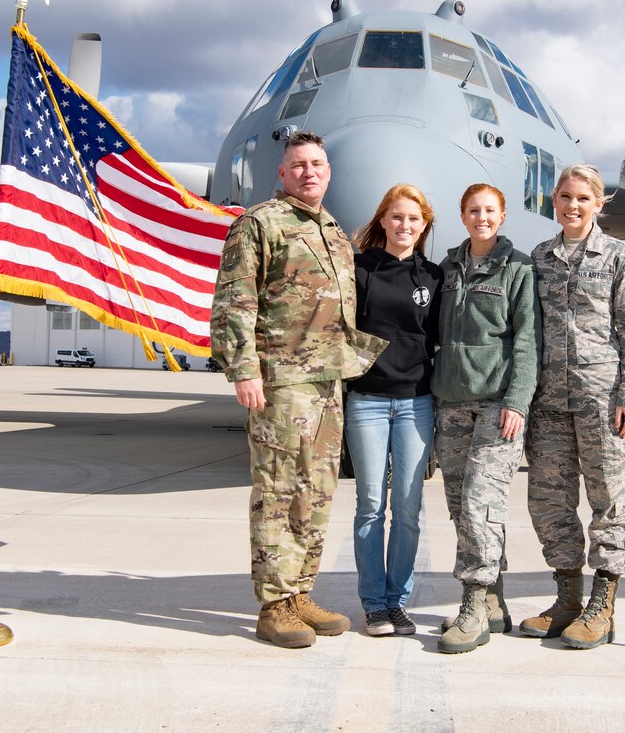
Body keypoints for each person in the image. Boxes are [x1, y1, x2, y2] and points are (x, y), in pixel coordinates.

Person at [211, 131, 387, 649]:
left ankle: (300, 593)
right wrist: (243, 369)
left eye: (317, 163)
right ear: (283, 173)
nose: (309, 172)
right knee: (279, 489)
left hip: (328, 380)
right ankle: (273, 604)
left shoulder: (333, 230)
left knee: (318, 489)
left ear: (328, 171)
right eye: (299, 165)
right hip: (282, 380)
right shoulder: (259, 223)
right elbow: (234, 301)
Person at [522, 164, 625, 650]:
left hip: (603, 402)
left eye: (582, 198)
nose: (572, 206)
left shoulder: (618, 256)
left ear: (599, 203)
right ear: (553, 201)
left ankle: (603, 604)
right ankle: (566, 600)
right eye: (564, 197)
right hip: (549, 402)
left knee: (608, 501)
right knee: (549, 501)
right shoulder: (540, 257)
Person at [433, 183, 540, 654]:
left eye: (490, 211)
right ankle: (494, 598)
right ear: (463, 215)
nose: (482, 217)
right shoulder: (449, 268)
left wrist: (517, 401)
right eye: (474, 210)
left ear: (502, 216)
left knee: (481, 499)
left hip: (498, 405)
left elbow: (527, 341)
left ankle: (473, 603)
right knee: (460, 504)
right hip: (452, 401)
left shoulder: (519, 270)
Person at [346, 184, 443, 637]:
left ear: (424, 227)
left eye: (414, 220)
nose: (405, 226)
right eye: (397, 217)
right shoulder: (357, 268)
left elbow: (439, 340)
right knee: (370, 505)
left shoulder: (434, 277)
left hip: (416, 403)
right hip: (366, 401)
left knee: (408, 509)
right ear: (383, 219)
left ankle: (397, 601)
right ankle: (373, 604)